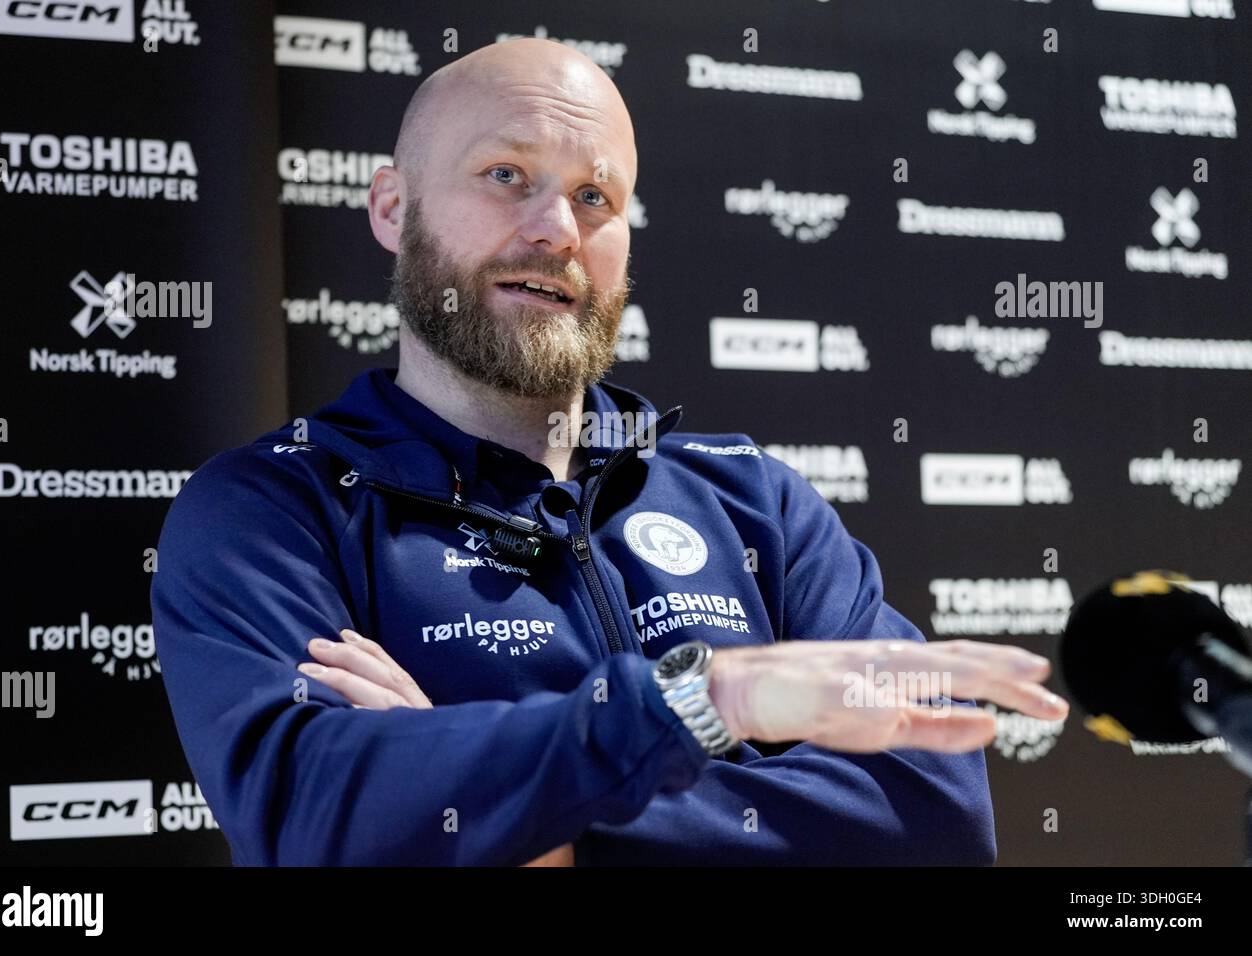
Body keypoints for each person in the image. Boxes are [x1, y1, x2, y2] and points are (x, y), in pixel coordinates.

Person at [150, 37, 1068, 866]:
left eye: (595, 195)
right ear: (394, 208)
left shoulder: (757, 503)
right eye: (507, 174)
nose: (556, 230)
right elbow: (318, 820)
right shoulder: (278, 508)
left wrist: (512, 818)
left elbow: (936, 823)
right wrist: (708, 707)